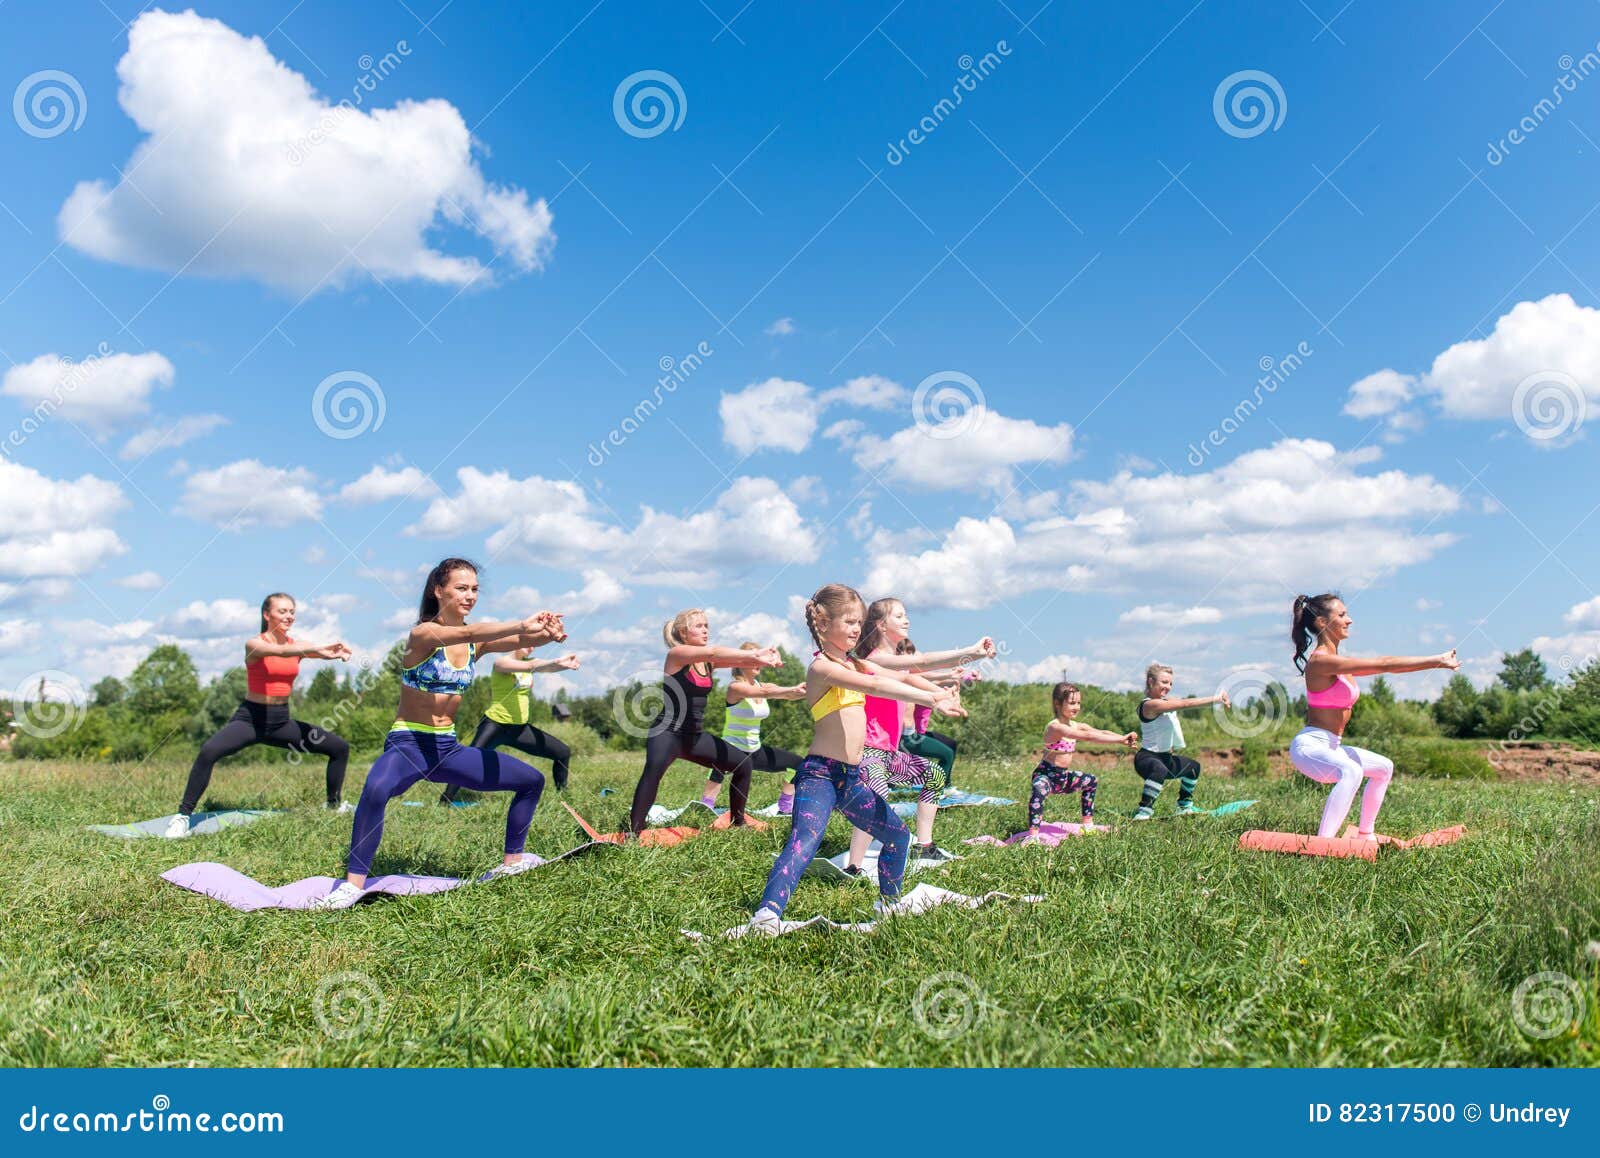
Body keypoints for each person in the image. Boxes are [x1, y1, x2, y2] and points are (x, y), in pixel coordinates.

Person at [310, 558, 565, 910]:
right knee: (376, 788)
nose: (470, 595)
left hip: (447, 748)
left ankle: (512, 863)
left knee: (531, 780)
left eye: (475, 589)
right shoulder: (424, 634)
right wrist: (524, 623)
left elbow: (521, 638)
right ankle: (353, 885)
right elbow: (470, 632)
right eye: (461, 588)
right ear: (438, 590)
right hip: (409, 743)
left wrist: (547, 633)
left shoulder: (478, 644)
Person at [750, 585, 962, 931]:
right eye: (849, 621)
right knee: (805, 840)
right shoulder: (821, 668)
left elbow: (911, 671)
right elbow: (877, 687)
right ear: (823, 624)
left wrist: (942, 687)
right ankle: (767, 914)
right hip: (819, 775)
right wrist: (930, 700)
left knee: (898, 836)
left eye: (859, 622)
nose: (855, 629)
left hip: (850, 779)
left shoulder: (858, 663)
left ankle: (888, 906)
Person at [166, 593, 352, 838]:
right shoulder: (254, 645)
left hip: (280, 722)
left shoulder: (295, 646)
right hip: (250, 720)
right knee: (208, 752)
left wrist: (333, 653)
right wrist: (318, 647)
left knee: (338, 748)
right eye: (282, 611)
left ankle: (332, 805)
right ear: (267, 615)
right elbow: (282, 651)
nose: (289, 616)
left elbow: (302, 651)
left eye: (291, 612)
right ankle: (182, 816)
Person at [1288, 593, 1459, 839]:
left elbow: (1385, 666)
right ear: (1322, 623)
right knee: (1352, 771)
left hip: (1332, 747)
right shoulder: (1321, 662)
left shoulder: (1337, 661)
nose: (1349, 620)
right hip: (1310, 747)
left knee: (1383, 767)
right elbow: (1384, 664)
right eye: (1342, 615)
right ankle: (1322, 844)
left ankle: (1365, 834)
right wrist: (1437, 660)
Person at [842, 599, 986, 871]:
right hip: (869, 752)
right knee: (876, 799)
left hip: (889, 754)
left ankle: (924, 846)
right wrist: (970, 652)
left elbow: (916, 678)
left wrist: (942, 698)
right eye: (900, 615)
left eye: (907, 614)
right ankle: (854, 866)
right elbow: (921, 662)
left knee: (934, 774)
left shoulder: (897, 665)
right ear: (881, 625)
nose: (907, 620)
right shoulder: (874, 659)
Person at [626, 610, 782, 836]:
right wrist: (756, 653)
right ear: (683, 632)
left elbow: (736, 659)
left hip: (694, 737)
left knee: (743, 764)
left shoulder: (707, 663)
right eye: (699, 626)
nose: (706, 629)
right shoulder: (677, 654)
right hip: (667, 732)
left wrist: (761, 658)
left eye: (706, 625)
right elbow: (714, 651)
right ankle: (634, 832)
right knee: (653, 771)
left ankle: (738, 822)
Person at [439, 647, 581, 804]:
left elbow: (545, 667)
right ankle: (446, 800)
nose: (531, 647)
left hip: (520, 729)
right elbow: (533, 666)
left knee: (562, 752)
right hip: (495, 725)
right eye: (527, 643)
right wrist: (555, 661)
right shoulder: (502, 662)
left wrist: (564, 664)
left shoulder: (529, 663)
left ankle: (564, 798)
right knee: (469, 762)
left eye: (533, 644)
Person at [699, 641, 806, 815]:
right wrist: (792, 688)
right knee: (718, 768)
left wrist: (809, 689)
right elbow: (766, 694)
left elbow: (787, 694)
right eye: (754, 658)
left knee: (798, 764)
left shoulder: (762, 685)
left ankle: (785, 804)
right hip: (731, 748)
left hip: (754, 750)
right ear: (742, 663)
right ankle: (705, 807)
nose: (758, 663)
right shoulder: (735, 687)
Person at [1027, 682, 1136, 832]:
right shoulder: (1055, 727)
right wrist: (1120, 740)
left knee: (1091, 781)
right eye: (1072, 703)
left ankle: (1088, 825)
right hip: (1046, 775)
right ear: (1057, 703)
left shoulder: (1075, 725)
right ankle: (1033, 835)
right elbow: (1088, 736)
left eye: (1078, 702)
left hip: (1063, 778)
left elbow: (1101, 732)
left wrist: (1123, 738)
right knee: (1038, 791)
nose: (1076, 707)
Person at [1131, 663, 1229, 819]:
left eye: (1170, 683)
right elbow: (1186, 704)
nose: (1168, 686)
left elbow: (1176, 704)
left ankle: (1184, 806)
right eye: (1164, 682)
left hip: (1165, 758)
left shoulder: (1165, 702)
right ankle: (1143, 812)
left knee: (1193, 768)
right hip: (1146, 758)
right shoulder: (1149, 704)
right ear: (1151, 682)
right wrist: (1217, 699)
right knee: (1160, 770)